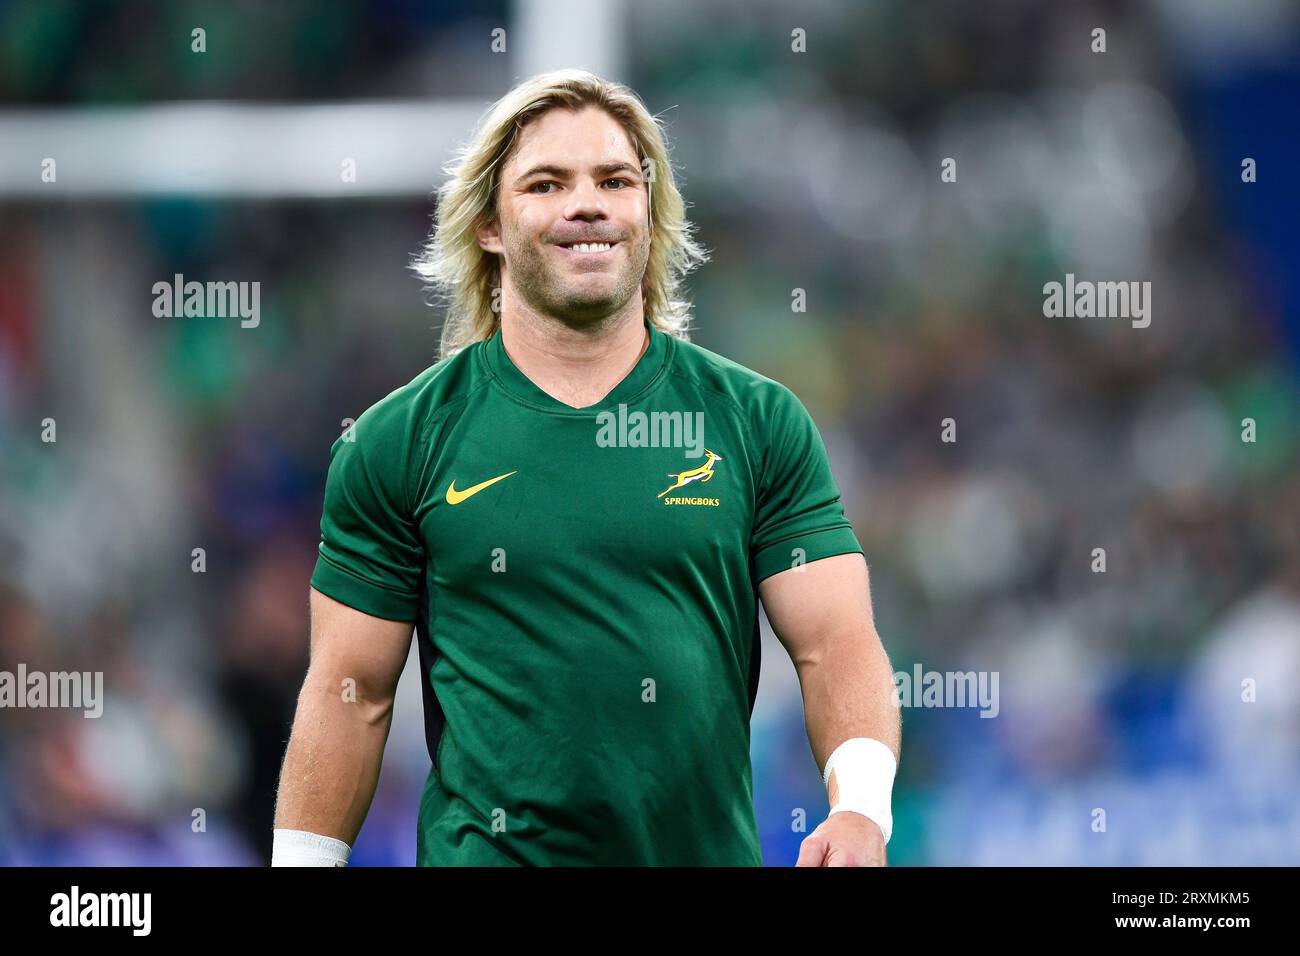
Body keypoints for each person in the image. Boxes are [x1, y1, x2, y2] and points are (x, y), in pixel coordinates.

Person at [273, 69, 900, 866]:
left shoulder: (757, 423)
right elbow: (350, 693)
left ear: (649, 212)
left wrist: (863, 811)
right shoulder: (399, 441)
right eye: (546, 183)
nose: (587, 204)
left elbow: (836, 643)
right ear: (490, 227)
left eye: (615, 180)